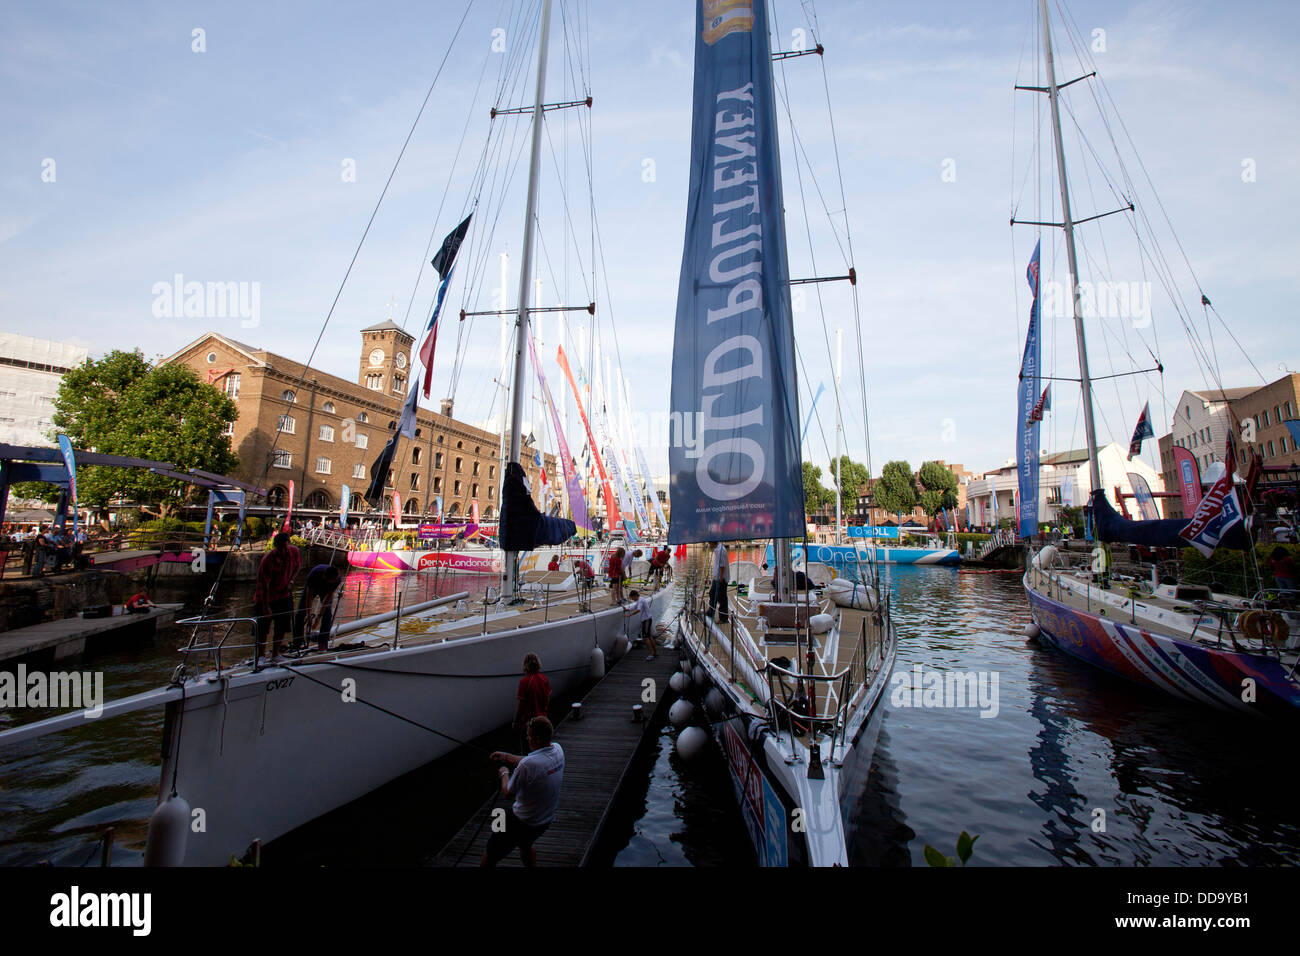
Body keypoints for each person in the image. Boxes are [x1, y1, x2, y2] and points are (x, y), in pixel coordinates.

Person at [482, 716, 564, 867]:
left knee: (492, 848)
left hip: (521, 821)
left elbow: (508, 793)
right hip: (544, 820)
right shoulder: (558, 749)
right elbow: (531, 761)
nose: (527, 738)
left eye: (529, 735)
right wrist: (506, 756)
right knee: (526, 844)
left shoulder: (528, 765)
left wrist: (504, 773)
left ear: (537, 739)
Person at [254, 531, 302, 662]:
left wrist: (291, 581)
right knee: (263, 628)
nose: (283, 550)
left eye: (285, 546)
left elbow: (298, 566)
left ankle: (275, 653)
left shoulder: (294, 552)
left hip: (284, 594)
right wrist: (266, 606)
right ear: (276, 546)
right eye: (280, 547)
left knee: (282, 625)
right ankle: (261, 655)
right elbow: (264, 584)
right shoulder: (268, 559)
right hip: (266, 596)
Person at [294, 563, 342, 651]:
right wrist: (308, 615)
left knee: (327, 614)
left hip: (326, 591)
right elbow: (309, 596)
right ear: (325, 577)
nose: (336, 580)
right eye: (333, 580)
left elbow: (328, 597)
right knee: (301, 613)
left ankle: (323, 642)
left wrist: (318, 617)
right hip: (314, 586)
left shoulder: (337, 579)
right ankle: (298, 642)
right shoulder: (314, 575)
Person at [513, 653, 551, 754]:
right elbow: (547, 700)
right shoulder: (544, 679)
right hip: (543, 720)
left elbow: (521, 706)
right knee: (542, 749)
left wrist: (515, 722)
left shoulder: (524, 682)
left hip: (529, 723)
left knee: (527, 752)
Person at [625, 589, 655, 659]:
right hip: (647, 619)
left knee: (646, 637)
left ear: (635, 596)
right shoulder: (640, 600)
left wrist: (629, 615)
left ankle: (651, 654)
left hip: (646, 620)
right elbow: (634, 607)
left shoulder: (640, 600)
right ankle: (654, 652)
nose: (632, 599)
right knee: (649, 636)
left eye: (632, 598)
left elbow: (638, 609)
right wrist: (627, 609)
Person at [707, 540, 730, 622]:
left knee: (722, 597)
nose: (708, 544)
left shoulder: (720, 550)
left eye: (709, 543)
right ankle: (711, 612)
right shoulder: (717, 549)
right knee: (712, 594)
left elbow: (722, 566)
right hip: (716, 577)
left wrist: (720, 579)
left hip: (721, 578)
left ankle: (723, 618)